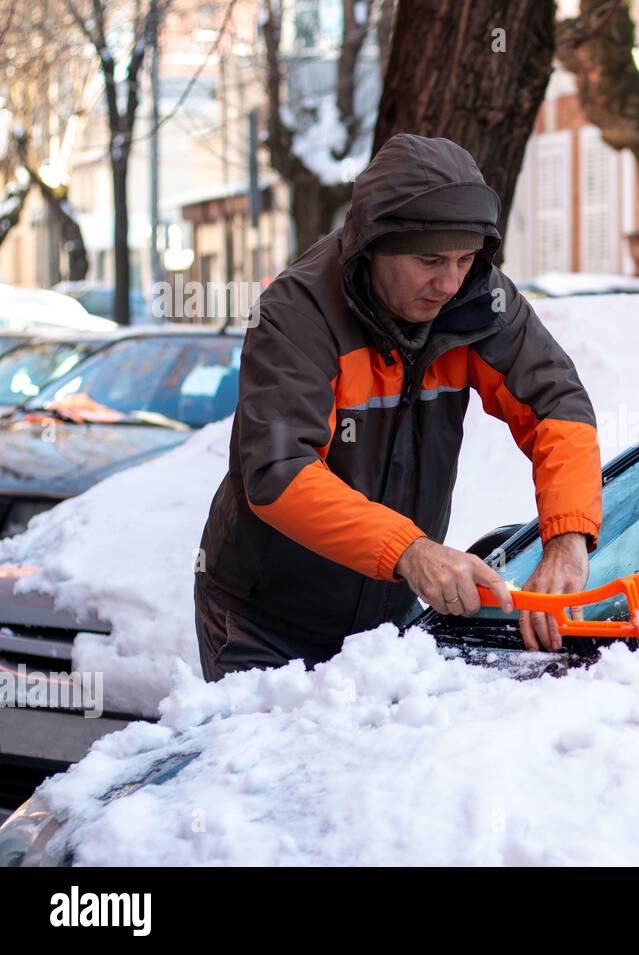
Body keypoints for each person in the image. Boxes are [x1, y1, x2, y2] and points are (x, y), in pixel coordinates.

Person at [194, 134, 603, 681]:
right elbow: (279, 471)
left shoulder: (480, 299)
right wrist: (410, 551)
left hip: (391, 618)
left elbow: (558, 404)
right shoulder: (297, 314)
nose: (449, 281)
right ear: (374, 247)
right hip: (265, 618)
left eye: (464, 258)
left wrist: (566, 536)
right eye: (430, 259)